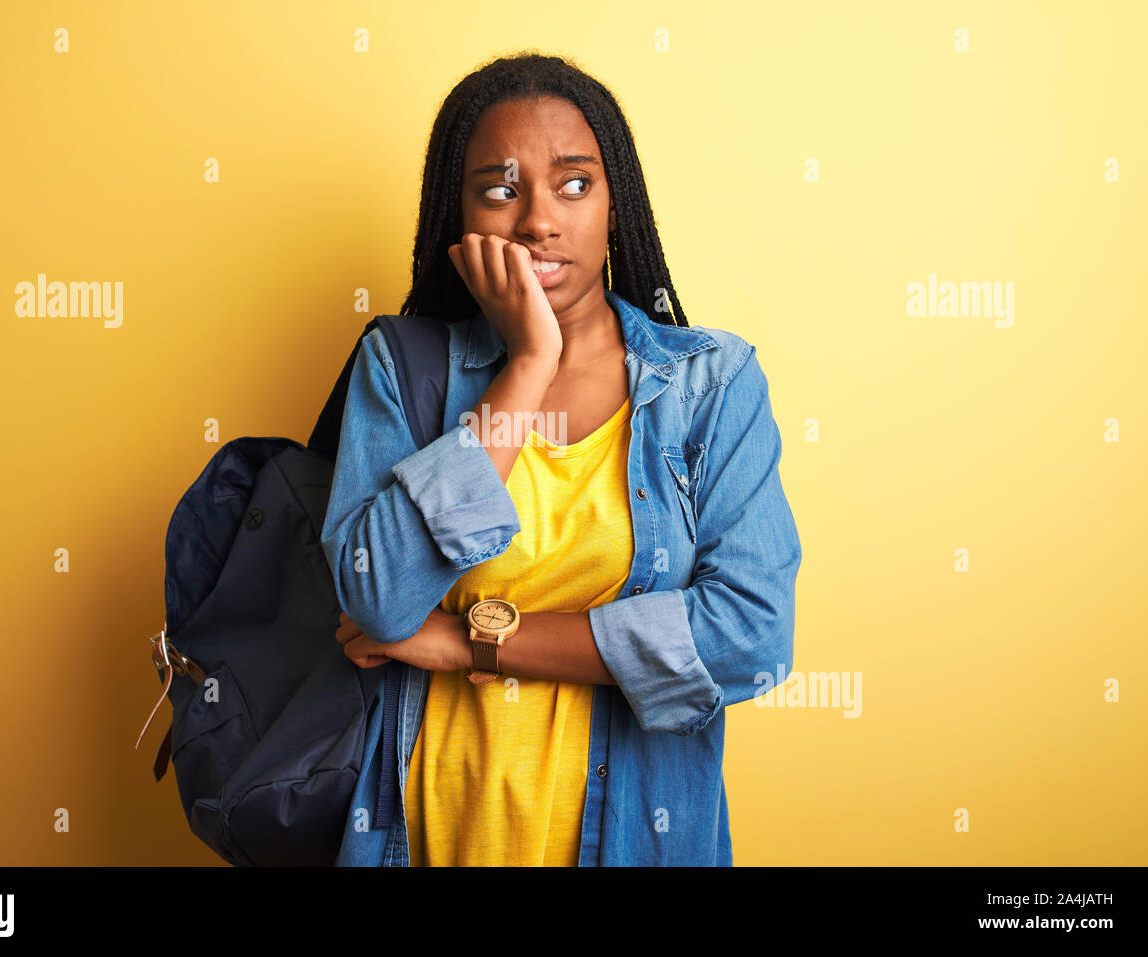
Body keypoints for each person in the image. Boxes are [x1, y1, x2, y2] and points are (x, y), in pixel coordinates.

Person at [320, 52, 802, 866]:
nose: (539, 220)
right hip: (425, 834)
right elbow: (378, 597)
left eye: (574, 184)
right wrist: (529, 363)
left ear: (617, 206)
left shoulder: (710, 385)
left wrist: (469, 641)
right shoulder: (400, 367)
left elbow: (752, 635)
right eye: (501, 189)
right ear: (459, 214)